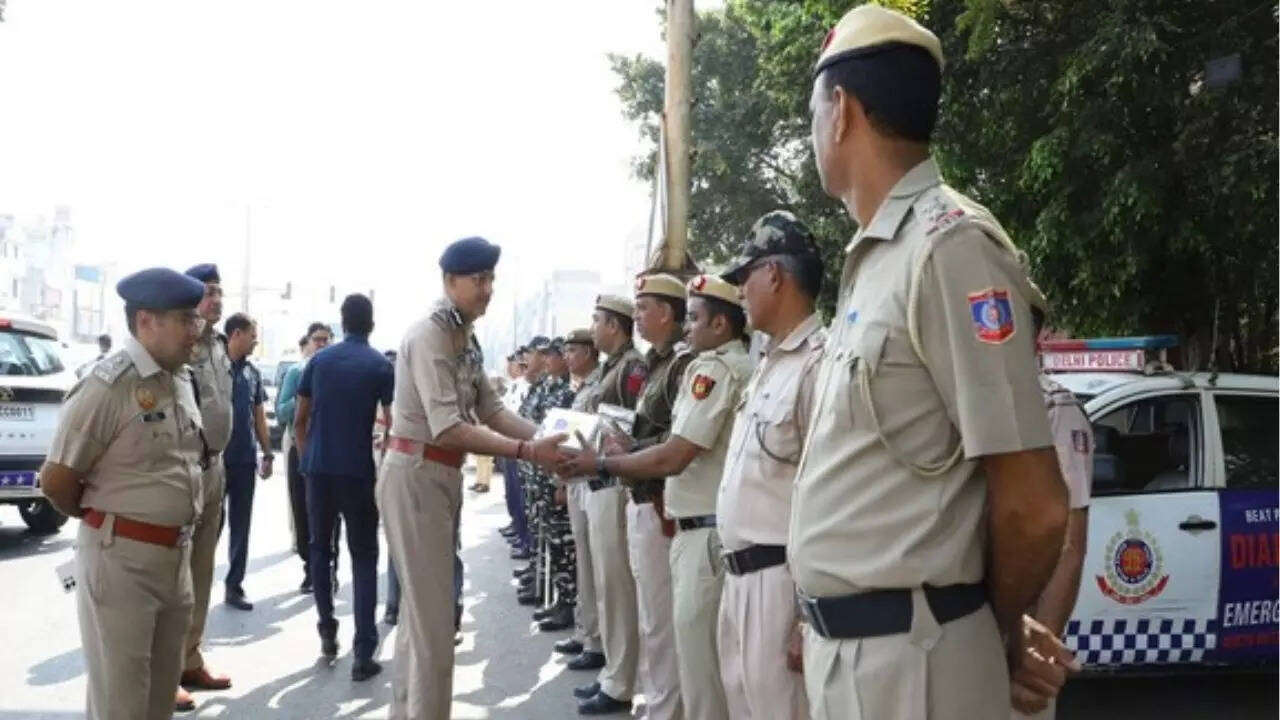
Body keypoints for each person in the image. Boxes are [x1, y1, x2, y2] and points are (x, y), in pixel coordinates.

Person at [793, 6, 1076, 719]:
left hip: (914, 666)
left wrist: (996, 626)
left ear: (842, 112)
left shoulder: (950, 246)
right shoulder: (879, 259)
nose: (810, 133)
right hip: (860, 658)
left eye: (811, 113)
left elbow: (1035, 504)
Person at [376, 236, 567, 720]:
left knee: (423, 621)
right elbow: (449, 426)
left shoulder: (464, 336)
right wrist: (529, 451)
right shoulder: (431, 336)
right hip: (418, 473)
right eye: (479, 280)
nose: (488, 289)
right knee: (435, 623)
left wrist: (551, 441)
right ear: (449, 282)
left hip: (436, 476)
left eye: (491, 280)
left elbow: (492, 409)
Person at [564, 274, 751, 720]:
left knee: (676, 635)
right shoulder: (660, 364)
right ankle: (653, 699)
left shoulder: (695, 366)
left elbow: (677, 448)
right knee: (659, 623)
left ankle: (659, 704)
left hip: (675, 509)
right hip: (655, 500)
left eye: (643, 308)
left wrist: (611, 461)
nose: (637, 317)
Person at [39, 267, 207, 720]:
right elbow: (57, 480)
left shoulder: (178, 379)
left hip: (175, 561)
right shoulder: (106, 387)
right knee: (122, 704)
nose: (197, 331)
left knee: (157, 701)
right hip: (122, 562)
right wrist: (106, 520)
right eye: (186, 319)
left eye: (197, 320)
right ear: (147, 321)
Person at [715, 212, 826, 719]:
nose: (740, 292)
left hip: (781, 589)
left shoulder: (819, 364)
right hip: (739, 581)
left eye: (744, 278)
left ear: (775, 275)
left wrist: (806, 616)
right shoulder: (769, 364)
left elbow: (826, 500)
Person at [294, 294, 395, 681]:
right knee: (364, 555)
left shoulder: (319, 361)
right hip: (357, 472)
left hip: (318, 470)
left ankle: (327, 630)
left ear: (342, 322)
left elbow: (300, 420)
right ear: (371, 324)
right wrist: (383, 465)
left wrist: (307, 461)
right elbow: (393, 424)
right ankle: (364, 651)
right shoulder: (380, 366)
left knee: (321, 550)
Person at [562, 301, 648, 715]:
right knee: (603, 582)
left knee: (616, 586)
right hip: (595, 478)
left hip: (612, 480)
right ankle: (613, 670)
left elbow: (628, 426)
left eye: (597, 321)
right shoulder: (609, 368)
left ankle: (621, 679)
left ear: (615, 325)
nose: (592, 328)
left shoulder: (632, 366)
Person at [1015, 311, 1094, 720]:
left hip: (1023, 637)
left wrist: (1037, 657)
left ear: (1035, 336)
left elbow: (1070, 545)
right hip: (970, 635)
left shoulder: (1055, 409)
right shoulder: (969, 404)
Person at [175, 263, 234, 712]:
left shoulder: (216, 343)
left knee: (202, 571)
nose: (216, 298)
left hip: (215, 467)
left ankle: (190, 658)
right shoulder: (183, 341)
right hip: (184, 471)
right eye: (208, 291)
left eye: (219, 291)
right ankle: (166, 671)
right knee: (173, 577)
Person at [278, 322, 340, 593]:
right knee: (302, 510)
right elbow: (281, 411)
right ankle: (310, 568)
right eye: (317, 340)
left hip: (331, 450)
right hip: (300, 448)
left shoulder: (339, 373)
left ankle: (330, 569)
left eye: (327, 340)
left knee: (331, 513)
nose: (322, 344)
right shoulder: (296, 372)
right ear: (308, 342)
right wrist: (305, 397)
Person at [221, 312, 274, 611]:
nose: (256, 341)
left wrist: (266, 453)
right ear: (237, 334)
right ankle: (193, 583)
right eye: (253, 335)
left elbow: (259, 417)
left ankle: (234, 585)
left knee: (241, 525)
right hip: (214, 461)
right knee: (209, 526)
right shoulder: (213, 370)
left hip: (243, 460)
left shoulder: (252, 373)